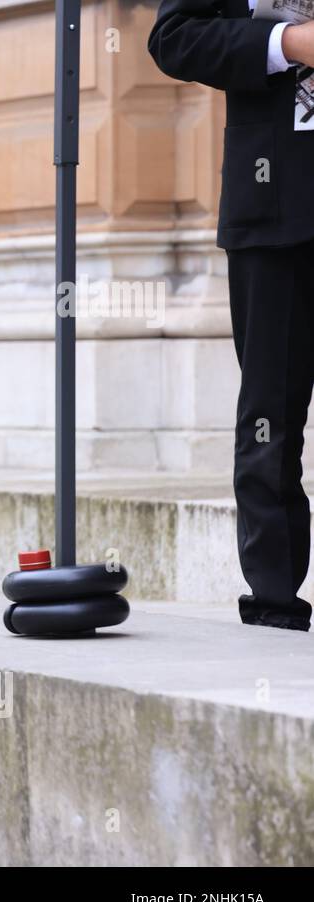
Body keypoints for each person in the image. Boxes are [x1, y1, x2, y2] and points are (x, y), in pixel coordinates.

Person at [149, 1, 314, 631]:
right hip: (272, 211)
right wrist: (290, 42)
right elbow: (175, 37)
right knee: (270, 415)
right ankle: (275, 604)